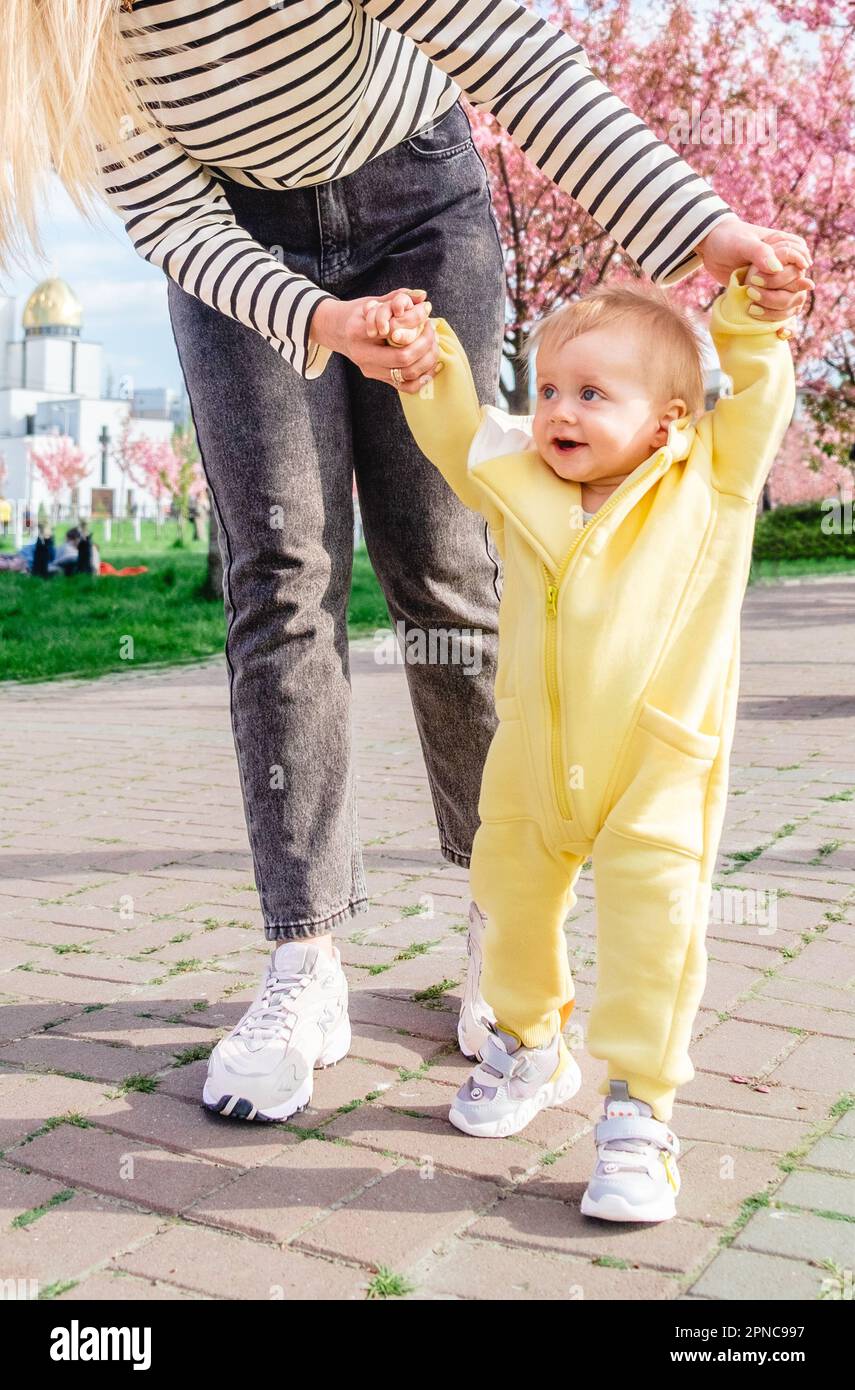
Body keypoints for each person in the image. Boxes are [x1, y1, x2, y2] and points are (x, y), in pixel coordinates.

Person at [0, 1, 810, 1127]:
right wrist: (320, 319)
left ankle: (504, 925)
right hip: (235, 247)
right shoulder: (53, 26)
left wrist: (695, 227)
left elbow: (518, 57)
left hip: (415, 189)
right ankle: (304, 957)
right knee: (281, 577)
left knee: (449, 561)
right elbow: (170, 215)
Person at [385, 238, 806, 1222]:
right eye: (549, 389)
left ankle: (639, 1112)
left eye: (591, 394)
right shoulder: (521, 480)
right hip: (529, 766)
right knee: (512, 909)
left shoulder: (713, 484)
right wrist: (430, 358)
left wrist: (750, 316)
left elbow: (752, 392)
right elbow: (458, 435)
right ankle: (529, 1042)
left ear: (667, 421)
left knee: (653, 934)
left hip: (656, 764)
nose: (560, 412)